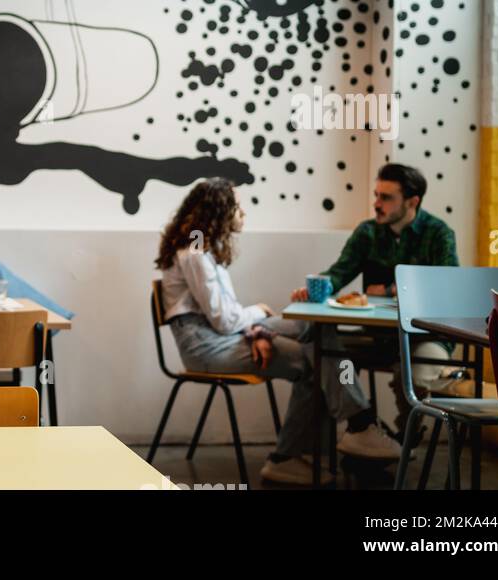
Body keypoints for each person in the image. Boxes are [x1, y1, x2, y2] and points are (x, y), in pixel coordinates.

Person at [156, 178, 400, 486]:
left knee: (314, 328)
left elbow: (227, 320)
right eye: (237, 206)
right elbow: (225, 321)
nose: (243, 213)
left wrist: (258, 332)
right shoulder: (194, 253)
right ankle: (345, 431)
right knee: (317, 358)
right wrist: (260, 313)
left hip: (223, 337)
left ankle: (352, 429)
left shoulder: (203, 251)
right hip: (207, 348)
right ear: (218, 211)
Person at [290, 163, 459, 434]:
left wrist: (392, 289)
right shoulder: (367, 232)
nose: (376, 204)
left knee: (412, 379)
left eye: (386, 197)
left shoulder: (439, 233)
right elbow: (339, 272)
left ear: (412, 201)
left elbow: (448, 287)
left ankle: (404, 440)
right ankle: (357, 427)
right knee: (320, 353)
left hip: (425, 336)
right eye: (376, 195)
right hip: (377, 335)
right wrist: (316, 289)